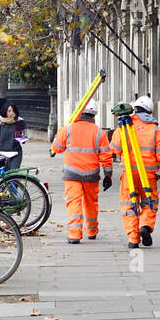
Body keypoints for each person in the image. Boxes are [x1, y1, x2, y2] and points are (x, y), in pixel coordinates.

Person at [109, 94, 160, 249]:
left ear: (134, 109)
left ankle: (133, 239)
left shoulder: (124, 127)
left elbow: (115, 150)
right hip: (148, 175)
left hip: (128, 175)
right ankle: (145, 226)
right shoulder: (156, 131)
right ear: (150, 112)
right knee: (149, 203)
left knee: (128, 206)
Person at [49, 98, 112, 244]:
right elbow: (106, 156)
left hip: (72, 173)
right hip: (91, 174)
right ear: (94, 114)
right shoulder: (100, 133)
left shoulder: (68, 128)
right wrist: (108, 175)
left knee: (74, 203)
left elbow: (57, 148)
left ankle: (74, 235)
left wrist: (59, 133)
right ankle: (91, 230)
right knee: (91, 203)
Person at [0, 102, 27, 170]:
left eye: (13, 111)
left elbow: (23, 140)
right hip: (1, 153)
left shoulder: (19, 121)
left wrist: (21, 131)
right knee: (1, 177)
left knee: (13, 174)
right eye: (9, 111)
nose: (11, 113)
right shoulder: (0, 123)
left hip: (15, 153)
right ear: (5, 112)